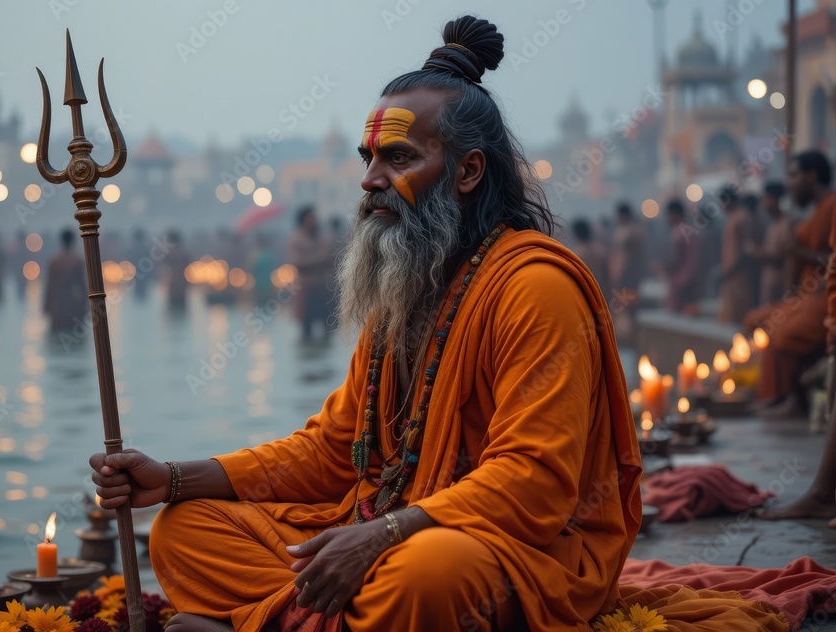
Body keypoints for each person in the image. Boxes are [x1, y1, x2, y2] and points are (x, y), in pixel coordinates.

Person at [91, 17, 641, 631]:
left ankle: (274, 620)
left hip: (511, 548)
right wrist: (172, 479)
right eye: (369, 157)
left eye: (398, 157)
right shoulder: (405, 286)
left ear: (468, 172)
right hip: (384, 520)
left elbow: (535, 484)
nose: (370, 179)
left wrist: (387, 534)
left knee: (428, 573)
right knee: (182, 530)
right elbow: (334, 450)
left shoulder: (535, 288)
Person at [744, 150, 835, 418]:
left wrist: (798, 251)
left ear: (812, 175)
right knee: (754, 319)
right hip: (804, 295)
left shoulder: (832, 206)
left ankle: (789, 398)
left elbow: (830, 258)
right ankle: (770, 393)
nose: (790, 184)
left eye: (794, 176)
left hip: (822, 296)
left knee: (781, 334)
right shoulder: (816, 210)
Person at [288, 206, 334, 341]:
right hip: (306, 288)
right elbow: (298, 263)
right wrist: (319, 259)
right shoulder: (296, 238)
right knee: (306, 328)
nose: (313, 221)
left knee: (327, 327)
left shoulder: (323, 236)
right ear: (303, 220)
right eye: (310, 218)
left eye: (314, 218)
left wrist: (313, 260)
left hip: (323, 287)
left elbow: (330, 258)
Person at [748, 182, 793, 306]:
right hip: (769, 284)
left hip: (780, 284)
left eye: (765, 199)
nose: (763, 204)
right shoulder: (772, 226)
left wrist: (756, 253)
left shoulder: (787, 224)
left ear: (773, 200)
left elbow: (781, 255)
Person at [717, 186, 756, 325]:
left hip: (740, 275)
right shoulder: (733, 217)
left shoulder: (742, 217)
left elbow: (746, 249)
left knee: (739, 316)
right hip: (730, 276)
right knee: (729, 314)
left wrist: (731, 270)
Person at [607, 202, 646, 338]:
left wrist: (621, 272)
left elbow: (631, 256)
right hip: (622, 274)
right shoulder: (625, 230)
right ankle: (626, 335)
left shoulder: (632, 232)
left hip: (628, 275)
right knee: (622, 307)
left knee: (627, 306)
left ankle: (630, 336)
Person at [43, 229, 88, 333]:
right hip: (74, 304)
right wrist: (85, 306)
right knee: (75, 334)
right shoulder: (78, 261)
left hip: (58, 305)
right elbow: (82, 285)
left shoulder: (54, 261)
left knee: (58, 335)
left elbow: (50, 286)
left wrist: (46, 306)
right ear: (73, 242)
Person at [663, 199, 701, 313]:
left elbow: (676, 258)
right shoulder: (690, 230)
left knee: (677, 313)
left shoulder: (678, 233)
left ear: (674, 214)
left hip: (680, 281)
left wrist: (665, 270)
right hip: (693, 278)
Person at [569, 218, 608, 298]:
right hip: (602, 291)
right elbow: (607, 275)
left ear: (576, 234)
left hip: (586, 294)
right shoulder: (600, 250)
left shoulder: (576, 254)